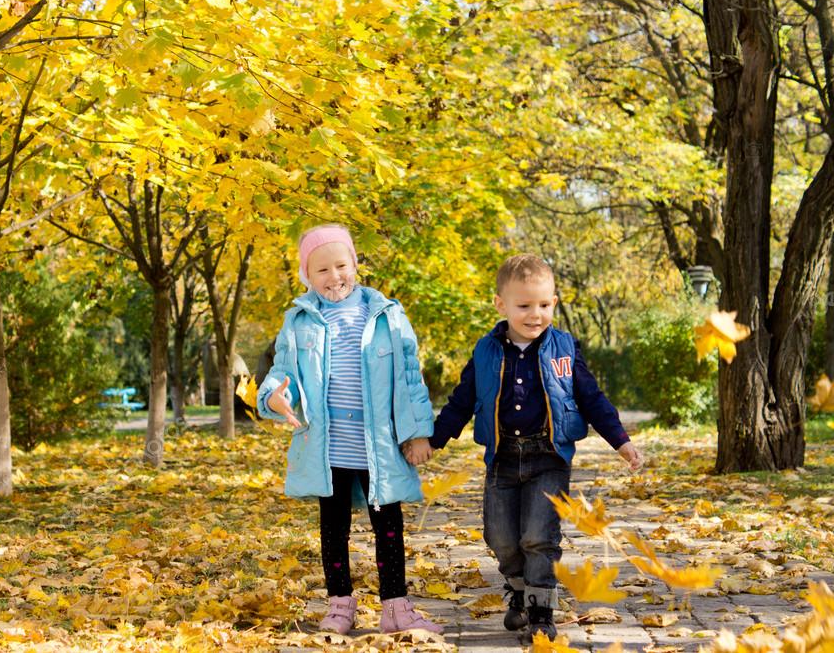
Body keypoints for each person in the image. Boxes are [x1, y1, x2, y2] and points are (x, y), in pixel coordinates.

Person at [403, 253, 644, 642]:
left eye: (545, 305)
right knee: (499, 536)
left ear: (555, 302)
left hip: (549, 458)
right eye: (525, 305)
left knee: (538, 535)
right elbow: (462, 401)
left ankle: (540, 609)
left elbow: (592, 398)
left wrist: (621, 442)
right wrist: (433, 440)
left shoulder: (564, 349)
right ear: (501, 305)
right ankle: (517, 588)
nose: (536, 314)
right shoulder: (486, 352)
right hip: (502, 459)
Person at [256, 224, 443, 636]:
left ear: (355, 264)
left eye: (341, 265)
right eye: (321, 269)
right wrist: (273, 397)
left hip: (377, 447)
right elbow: (281, 372)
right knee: (333, 528)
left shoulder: (385, 315)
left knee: (389, 528)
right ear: (307, 274)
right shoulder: (300, 320)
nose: (333, 276)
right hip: (330, 448)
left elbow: (409, 378)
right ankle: (339, 604)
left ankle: (396, 606)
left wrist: (417, 434)